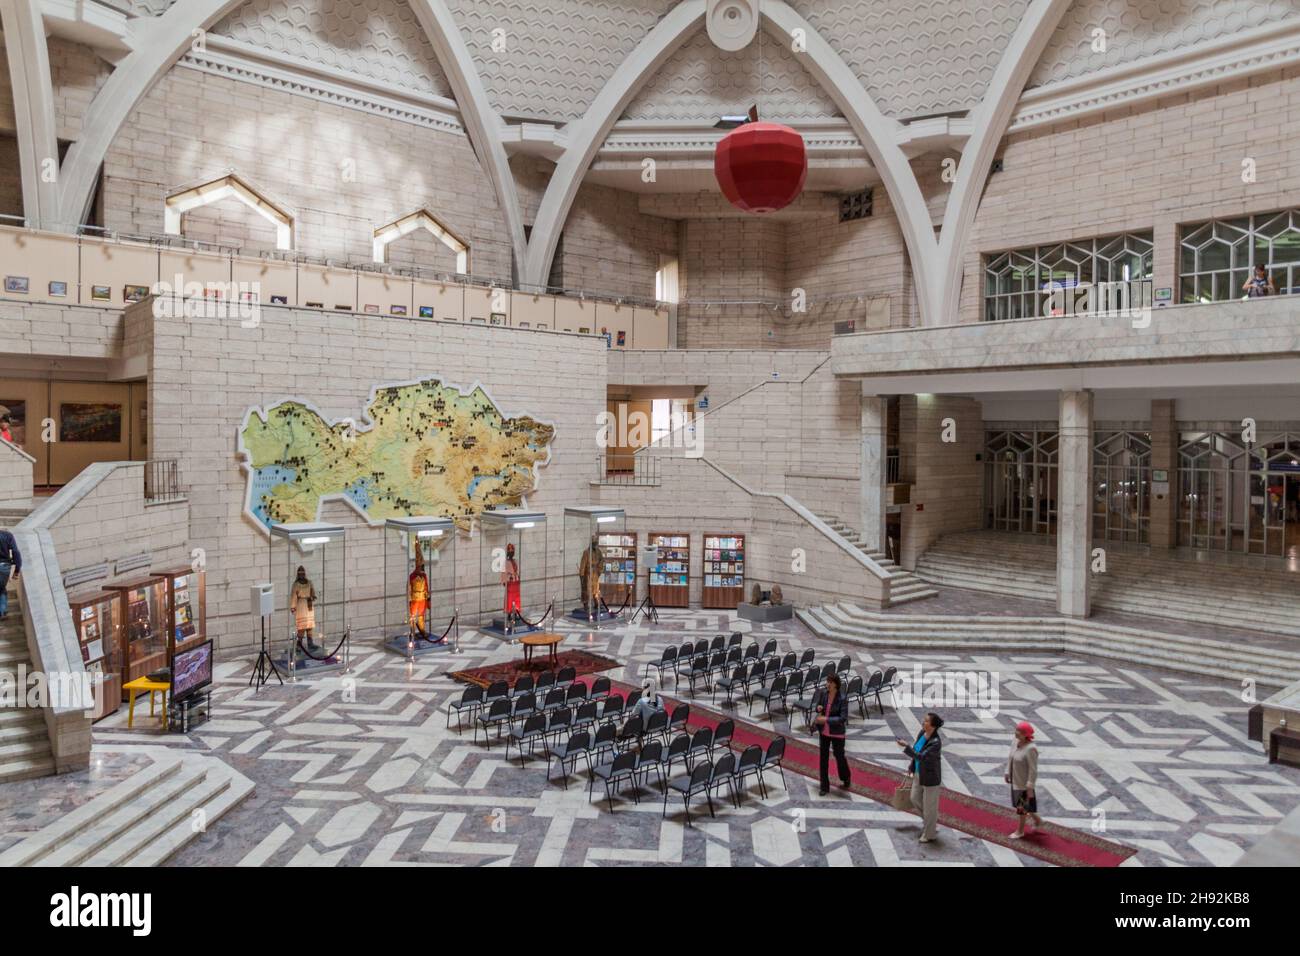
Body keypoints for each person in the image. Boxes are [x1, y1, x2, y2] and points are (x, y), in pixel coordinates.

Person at [896, 712, 944, 842]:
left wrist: (907, 747)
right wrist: (912, 767)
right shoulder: (922, 733)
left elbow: (921, 756)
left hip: (930, 778)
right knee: (914, 798)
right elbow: (917, 749)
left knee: (930, 807)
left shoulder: (935, 743)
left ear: (933, 726)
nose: (923, 722)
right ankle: (931, 824)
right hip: (918, 773)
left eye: (927, 721)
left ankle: (929, 834)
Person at [813, 671, 851, 795]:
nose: (827, 684)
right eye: (827, 681)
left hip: (837, 733)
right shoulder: (824, 693)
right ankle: (824, 787)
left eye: (830, 682)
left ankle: (846, 777)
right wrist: (818, 708)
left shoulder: (843, 698)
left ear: (835, 684)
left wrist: (826, 719)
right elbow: (818, 705)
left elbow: (842, 718)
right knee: (823, 759)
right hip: (824, 732)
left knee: (839, 757)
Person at [1006, 721, 1042, 839]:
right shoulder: (1016, 741)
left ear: (1025, 734)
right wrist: (1007, 771)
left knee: (1021, 808)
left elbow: (1033, 770)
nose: (1016, 733)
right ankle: (1038, 820)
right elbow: (1010, 756)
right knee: (1024, 805)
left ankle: (1020, 831)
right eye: (1016, 730)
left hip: (1024, 784)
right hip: (1015, 780)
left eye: (1019, 731)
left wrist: (1030, 785)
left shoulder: (1031, 749)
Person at [290, 565, 317, 650]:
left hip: (309, 604)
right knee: (302, 626)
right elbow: (294, 596)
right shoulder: (296, 584)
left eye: (303, 573)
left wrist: (313, 596)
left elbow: (313, 592)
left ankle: (310, 643)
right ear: (298, 574)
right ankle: (299, 644)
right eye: (300, 573)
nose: (301, 574)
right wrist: (293, 606)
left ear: (305, 573)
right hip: (301, 605)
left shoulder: (309, 582)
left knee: (309, 625)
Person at [407, 545, 429, 638]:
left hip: (422, 598)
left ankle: (422, 630)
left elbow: (427, 587)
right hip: (414, 598)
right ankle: (412, 632)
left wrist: (428, 599)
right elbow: (408, 588)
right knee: (412, 616)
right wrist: (409, 600)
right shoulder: (412, 576)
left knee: (421, 615)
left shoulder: (424, 576)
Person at [0, 527, 21, 620]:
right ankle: (2, 612)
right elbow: (16, 552)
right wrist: (17, 569)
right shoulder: (7, 535)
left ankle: (2, 611)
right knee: (1, 588)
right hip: (4, 566)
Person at [501, 542, 521, 632]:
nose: (511, 553)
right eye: (510, 552)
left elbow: (517, 570)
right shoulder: (505, 563)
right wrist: (505, 581)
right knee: (509, 599)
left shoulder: (515, 561)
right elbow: (503, 573)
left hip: (515, 583)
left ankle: (516, 612)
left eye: (512, 551)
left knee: (516, 598)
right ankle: (509, 613)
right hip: (510, 583)